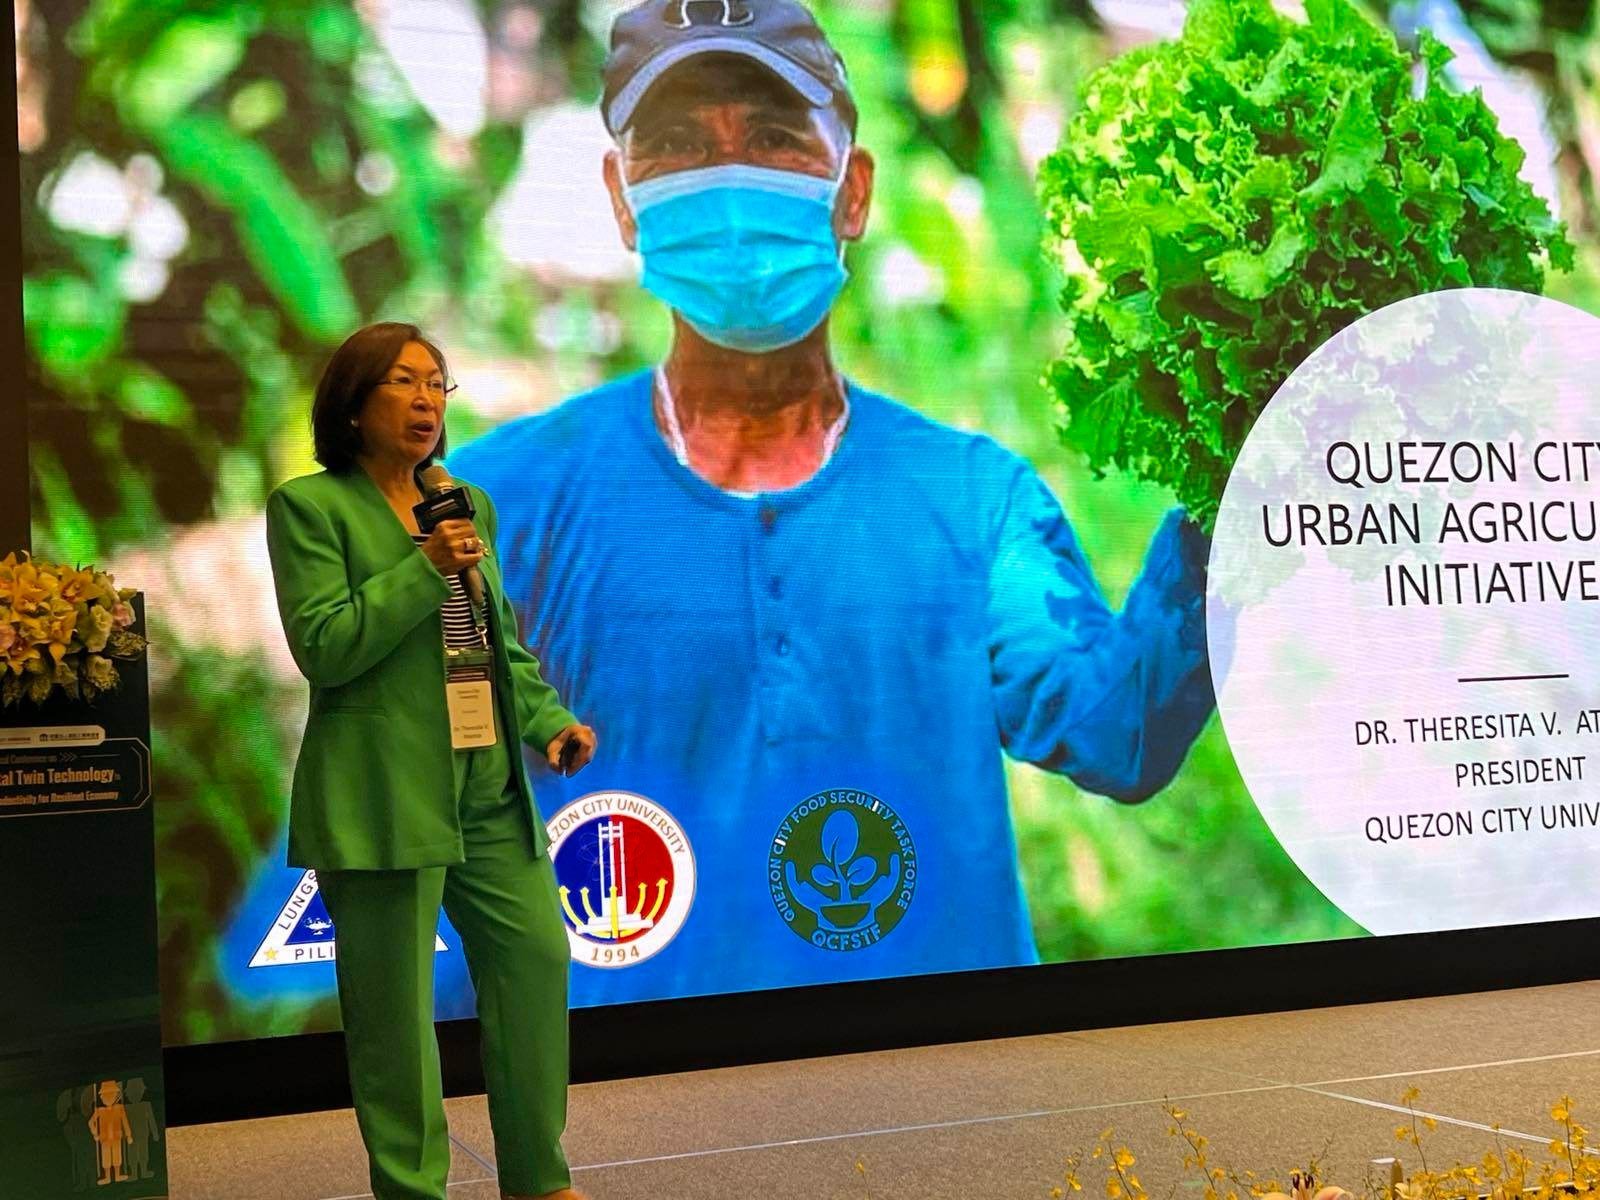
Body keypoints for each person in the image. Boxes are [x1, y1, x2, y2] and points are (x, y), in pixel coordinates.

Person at [448, 0, 1214, 1007]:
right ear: (624, 200)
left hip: (941, 1113)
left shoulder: (973, 501)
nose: (726, 179)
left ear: (850, 192)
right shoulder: (503, 507)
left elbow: (1116, 730)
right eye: (676, 145)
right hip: (626, 1124)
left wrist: (1234, 475)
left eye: (770, 137)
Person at [265, 322, 595, 1200]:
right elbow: (327, 648)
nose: (424, 401)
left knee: (533, 967)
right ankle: (414, 1190)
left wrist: (548, 719)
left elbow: (495, 643)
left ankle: (539, 1179)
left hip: (487, 786)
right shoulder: (311, 509)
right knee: (395, 1023)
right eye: (404, 383)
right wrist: (420, 565)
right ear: (353, 403)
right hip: (381, 792)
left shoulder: (465, 501)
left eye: (436, 385)